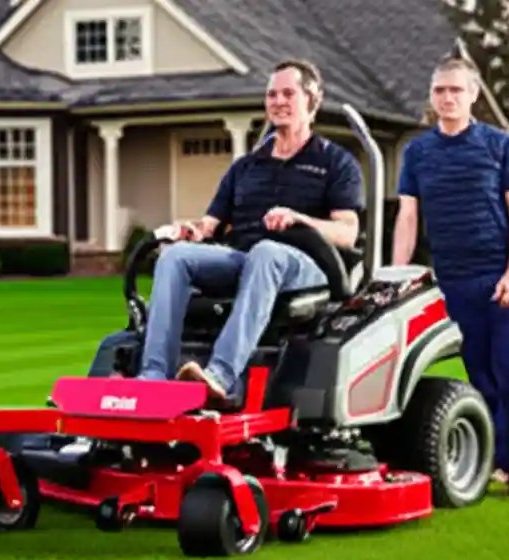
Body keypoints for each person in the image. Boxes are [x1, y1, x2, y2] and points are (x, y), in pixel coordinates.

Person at [95, 58, 364, 399]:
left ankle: (222, 376)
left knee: (268, 252)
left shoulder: (336, 162)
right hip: (246, 258)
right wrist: (191, 230)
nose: (278, 102)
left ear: (312, 100)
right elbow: (211, 224)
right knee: (176, 257)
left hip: (309, 264)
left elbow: (347, 233)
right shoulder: (246, 167)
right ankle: (153, 375)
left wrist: (300, 220)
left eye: (287, 93)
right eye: (271, 95)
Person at [392, 56, 509, 498]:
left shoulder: (500, 146)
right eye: (439, 90)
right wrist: (399, 277)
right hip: (452, 282)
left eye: (456, 90)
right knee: (479, 374)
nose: (447, 98)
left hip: (500, 277)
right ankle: (496, 459)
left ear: (473, 94)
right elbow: (407, 218)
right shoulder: (418, 153)